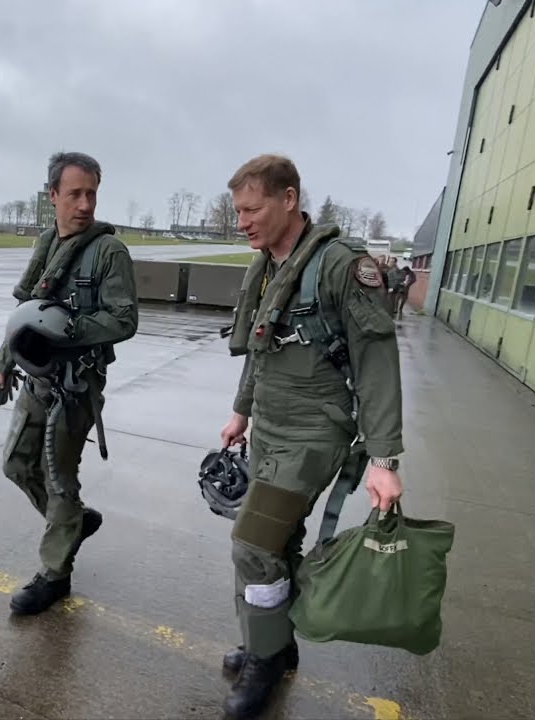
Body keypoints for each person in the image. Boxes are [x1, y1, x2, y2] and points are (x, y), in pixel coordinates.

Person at [216, 154, 404, 718]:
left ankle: (265, 657)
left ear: (289, 199)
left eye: (252, 210)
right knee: (279, 541)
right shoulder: (267, 266)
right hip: (270, 426)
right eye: (238, 212)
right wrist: (241, 412)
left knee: (252, 545)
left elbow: (377, 362)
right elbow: (260, 348)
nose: (242, 222)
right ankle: (276, 641)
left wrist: (385, 459)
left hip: (314, 432)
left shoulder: (341, 265)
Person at [0, 151, 139, 615]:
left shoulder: (108, 251)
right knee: (16, 464)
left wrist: (66, 330)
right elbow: (26, 312)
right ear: (53, 195)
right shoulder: (47, 244)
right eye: (75, 194)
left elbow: (124, 319)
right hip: (36, 379)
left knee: (58, 479)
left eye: (92, 193)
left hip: (76, 386)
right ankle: (73, 520)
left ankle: (54, 575)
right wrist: (3, 362)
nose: (85, 204)